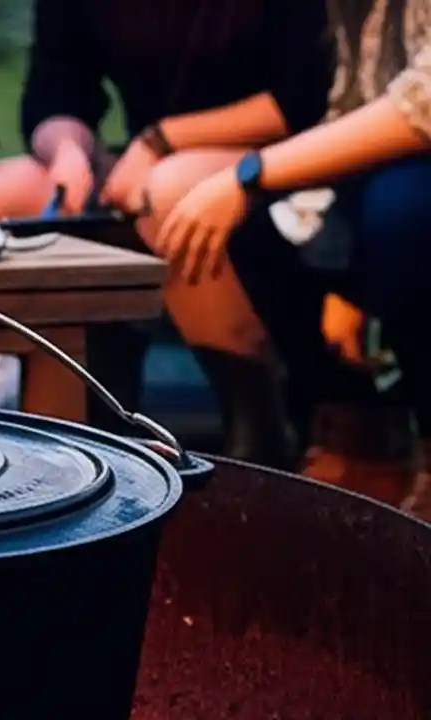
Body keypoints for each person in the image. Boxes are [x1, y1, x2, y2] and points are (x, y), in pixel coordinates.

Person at [0, 0, 334, 466]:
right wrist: (69, 148)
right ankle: (86, 423)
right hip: (150, 158)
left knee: (169, 191)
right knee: (3, 192)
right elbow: (56, 90)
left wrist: (160, 140)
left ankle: (262, 426)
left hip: (286, 154)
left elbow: (305, 98)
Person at [156, 0, 431, 518]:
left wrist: (249, 173)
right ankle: (359, 435)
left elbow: (422, 107)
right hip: (394, 164)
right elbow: (352, 112)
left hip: (412, 177)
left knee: (402, 214)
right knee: (261, 225)